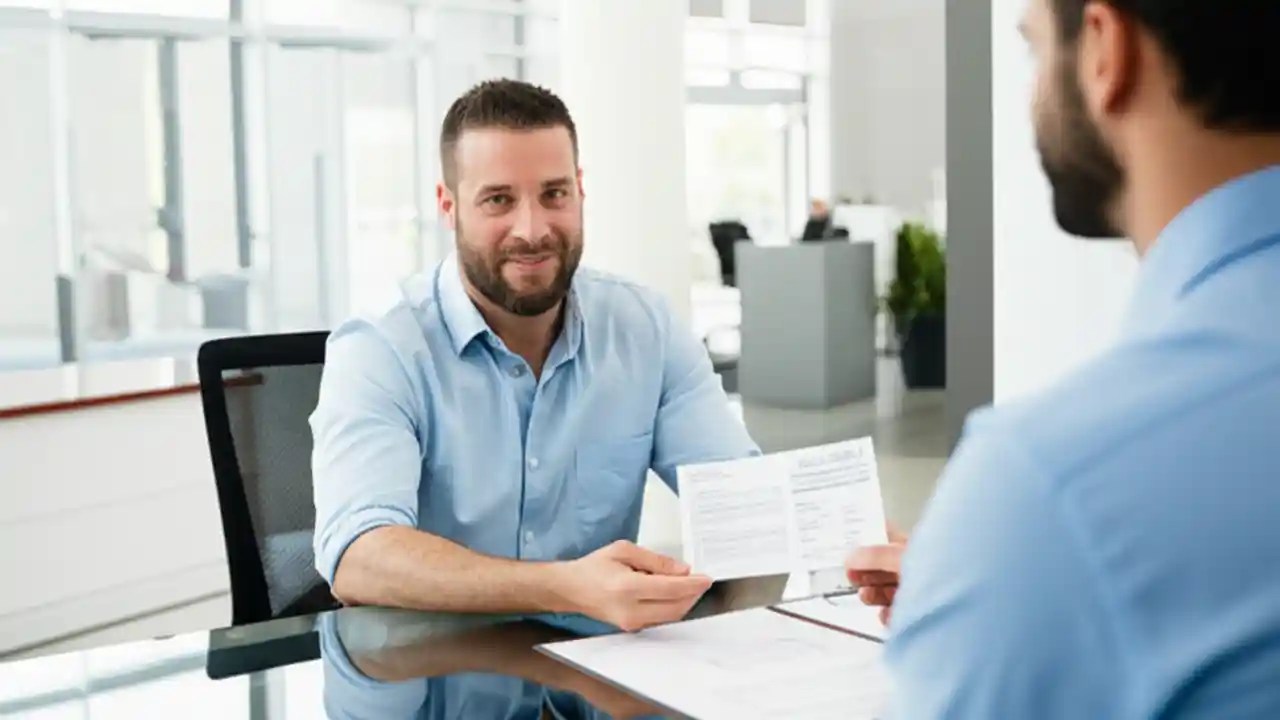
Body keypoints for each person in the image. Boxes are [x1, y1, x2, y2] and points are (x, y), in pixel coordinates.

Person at [848, 0, 1280, 717]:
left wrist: (1015, 559)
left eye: (1034, 50)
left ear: (1106, 52)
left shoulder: (1055, 481)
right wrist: (999, 582)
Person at [310, 79, 758, 636]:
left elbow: (745, 498)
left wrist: (856, 535)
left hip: (597, 681)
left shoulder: (646, 330)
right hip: (433, 683)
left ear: (580, 191)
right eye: (499, 199)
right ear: (448, 206)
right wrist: (564, 586)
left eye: (554, 194)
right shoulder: (380, 349)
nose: (532, 229)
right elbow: (358, 554)